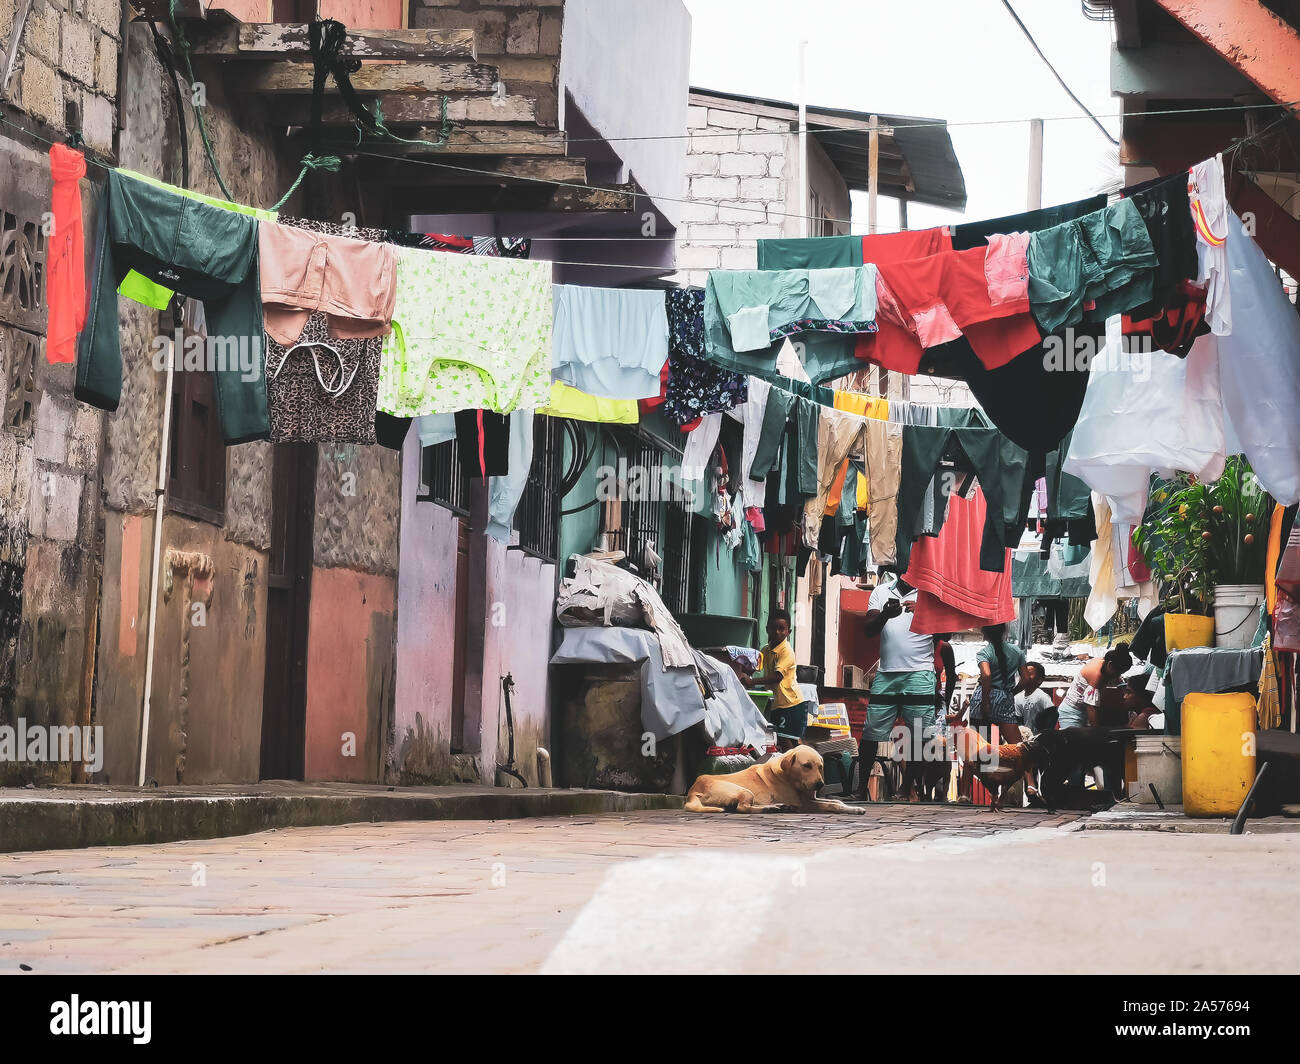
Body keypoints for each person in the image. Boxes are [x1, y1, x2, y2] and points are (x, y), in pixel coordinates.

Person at [862, 577, 938, 801]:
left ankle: (907, 788)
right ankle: (859, 789)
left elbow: (946, 633)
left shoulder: (931, 593)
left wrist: (923, 612)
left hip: (920, 671)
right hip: (887, 672)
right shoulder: (880, 591)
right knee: (870, 733)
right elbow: (868, 631)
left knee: (920, 735)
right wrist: (885, 614)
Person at [748, 609, 810, 751]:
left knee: (783, 739)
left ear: (789, 631)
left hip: (791, 704)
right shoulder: (766, 649)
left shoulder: (786, 651)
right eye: (773, 628)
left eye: (781, 629)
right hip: (778, 704)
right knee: (781, 741)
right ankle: (794, 768)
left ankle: (795, 769)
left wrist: (751, 682)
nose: (777, 632)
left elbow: (777, 677)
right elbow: (754, 666)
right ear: (767, 629)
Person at [969, 623, 1027, 740]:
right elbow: (1026, 679)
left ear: (985, 632)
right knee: (1016, 744)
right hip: (1005, 697)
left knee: (979, 744)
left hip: (984, 696)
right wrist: (1012, 693)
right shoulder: (1017, 652)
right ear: (1003, 632)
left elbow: (986, 675)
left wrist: (985, 702)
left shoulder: (984, 653)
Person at [1058, 643, 1133, 729]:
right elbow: (1091, 707)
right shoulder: (1097, 675)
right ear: (1110, 665)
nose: (1117, 676)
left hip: (1084, 712)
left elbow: (1118, 680)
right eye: (1117, 673)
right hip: (1071, 712)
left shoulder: (1105, 663)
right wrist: (1097, 731)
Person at [1015, 662, 1055, 735]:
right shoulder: (1017, 698)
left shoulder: (1042, 696)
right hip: (1026, 737)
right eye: (1023, 674)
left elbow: (1052, 715)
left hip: (1040, 737)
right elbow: (1019, 720)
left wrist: (1046, 733)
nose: (1025, 677)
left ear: (1039, 680)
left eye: (1029, 674)